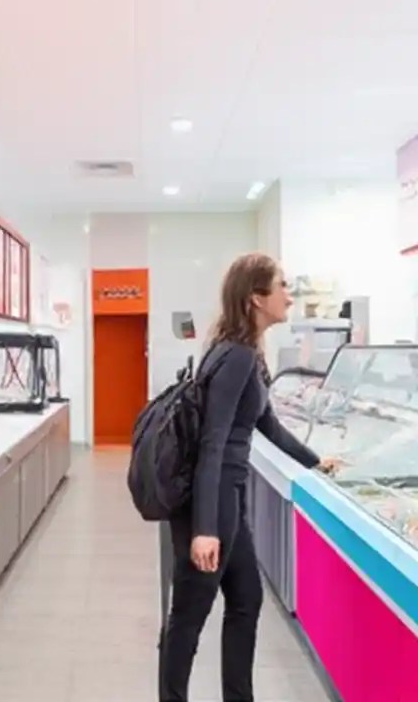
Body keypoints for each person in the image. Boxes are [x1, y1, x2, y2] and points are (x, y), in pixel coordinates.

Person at [158, 252, 340, 702]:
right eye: (282, 287)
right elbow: (212, 444)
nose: (290, 298)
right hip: (214, 503)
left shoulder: (247, 354)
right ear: (257, 298)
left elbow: (268, 425)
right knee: (189, 617)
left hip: (228, 500)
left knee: (246, 601)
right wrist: (204, 530)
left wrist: (315, 460)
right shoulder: (236, 357)